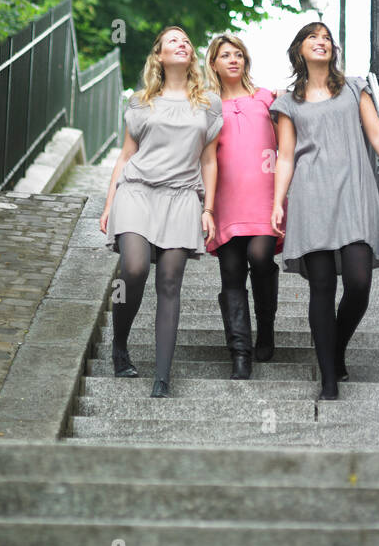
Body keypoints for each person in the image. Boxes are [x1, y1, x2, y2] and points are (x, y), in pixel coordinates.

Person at [270, 21, 379, 401]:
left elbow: (377, 134)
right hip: (310, 195)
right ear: (299, 49)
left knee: (358, 282)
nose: (321, 42)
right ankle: (328, 379)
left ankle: (336, 349)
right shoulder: (288, 102)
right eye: (312, 38)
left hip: (354, 191)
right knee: (321, 287)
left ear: (334, 50)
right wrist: (277, 201)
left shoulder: (355, 87)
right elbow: (285, 157)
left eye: (327, 38)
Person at [99, 25, 222, 398]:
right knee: (133, 268)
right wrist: (109, 204)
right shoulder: (140, 101)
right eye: (173, 40)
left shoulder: (208, 104)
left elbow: (209, 161)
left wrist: (209, 208)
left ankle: (162, 377)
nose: (182, 43)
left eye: (187, 40)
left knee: (169, 283)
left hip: (183, 196)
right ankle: (120, 345)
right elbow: (126, 156)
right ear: (160, 55)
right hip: (136, 192)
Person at [204, 34, 282, 379]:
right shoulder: (206, 105)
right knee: (232, 272)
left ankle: (266, 327)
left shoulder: (266, 98)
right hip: (225, 200)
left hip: (264, 197)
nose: (233, 60)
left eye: (238, 54)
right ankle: (240, 353)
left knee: (262, 256)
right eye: (225, 55)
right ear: (214, 64)